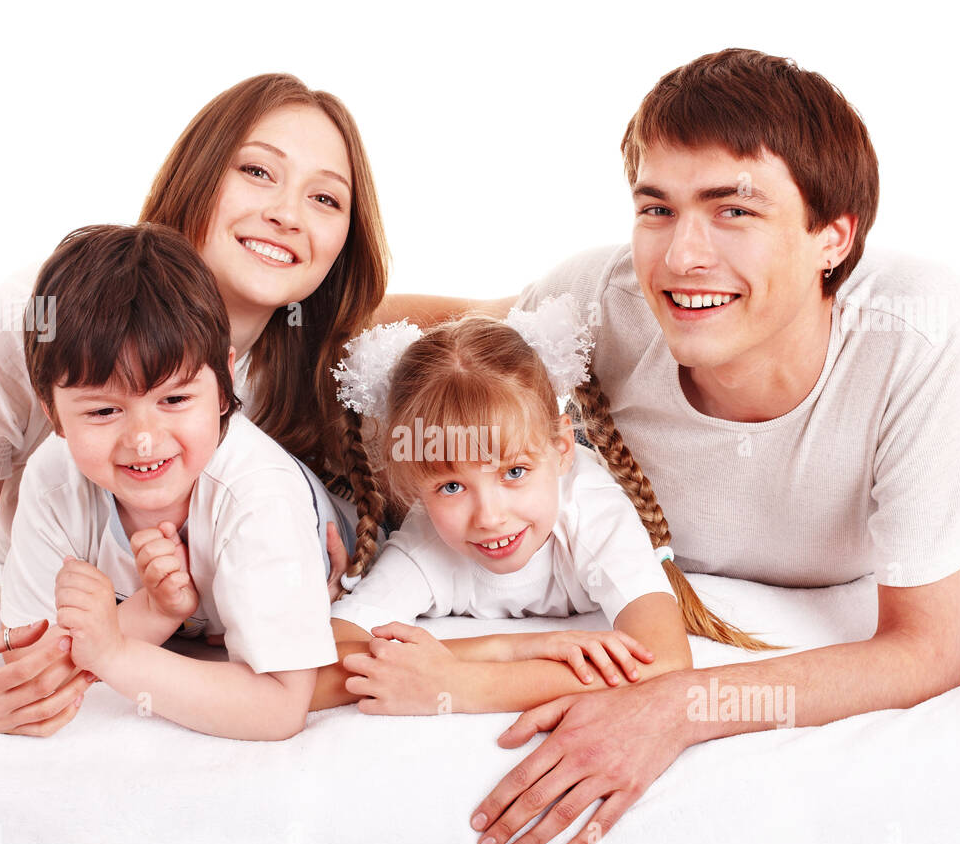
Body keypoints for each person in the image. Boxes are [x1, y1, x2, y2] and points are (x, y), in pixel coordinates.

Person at [384, 49, 960, 844]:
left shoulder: (917, 336)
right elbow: (456, 326)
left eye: (732, 211)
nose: (680, 257)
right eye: (657, 209)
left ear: (833, 236)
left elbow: (924, 651)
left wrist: (676, 706)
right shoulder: (599, 302)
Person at [0, 74, 389, 735]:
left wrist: (324, 575)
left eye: (324, 197)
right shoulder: (41, 322)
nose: (287, 213)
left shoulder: (314, 363)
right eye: (259, 171)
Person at [312, 298, 776, 714]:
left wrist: (462, 685)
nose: (490, 517)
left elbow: (665, 658)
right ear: (414, 482)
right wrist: (507, 649)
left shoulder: (589, 507)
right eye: (452, 487)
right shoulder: (425, 542)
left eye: (514, 473)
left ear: (560, 448)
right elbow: (319, 671)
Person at [2, 222, 337, 739]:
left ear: (223, 386)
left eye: (174, 400)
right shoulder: (53, 480)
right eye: (105, 410)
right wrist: (154, 612)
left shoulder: (258, 495)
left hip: (334, 533)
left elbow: (279, 706)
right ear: (52, 412)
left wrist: (115, 650)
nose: (143, 440)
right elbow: (29, 665)